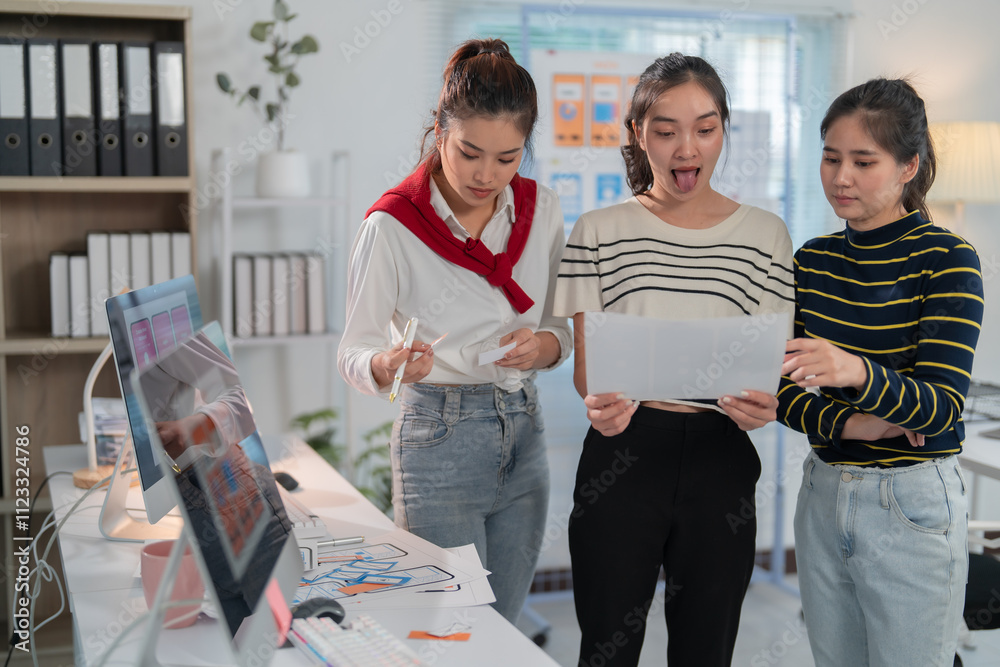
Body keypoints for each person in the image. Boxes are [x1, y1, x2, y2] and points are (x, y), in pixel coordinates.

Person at [553, 53, 795, 666]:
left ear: (723, 130)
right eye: (666, 130)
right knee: (607, 647)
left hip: (722, 455)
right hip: (624, 451)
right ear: (639, 134)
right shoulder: (598, 230)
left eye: (706, 129)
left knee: (705, 649)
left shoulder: (766, 235)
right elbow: (590, 372)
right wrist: (600, 405)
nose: (687, 147)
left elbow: (768, 367)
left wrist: (763, 405)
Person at [337, 38, 571, 624]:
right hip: (437, 439)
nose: (486, 174)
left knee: (504, 627)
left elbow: (562, 326)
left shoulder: (542, 211)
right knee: (445, 633)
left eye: (508, 158)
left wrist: (545, 346)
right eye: (469, 153)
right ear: (439, 131)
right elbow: (353, 350)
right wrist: (388, 364)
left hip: (524, 430)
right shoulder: (392, 225)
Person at [778, 78, 984, 667]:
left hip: (912, 503)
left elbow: (942, 409)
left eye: (863, 162)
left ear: (907, 166)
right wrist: (857, 424)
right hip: (823, 492)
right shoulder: (810, 263)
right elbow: (778, 392)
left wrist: (851, 370)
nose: (841, 177)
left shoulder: (946, 259)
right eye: (831, 157)